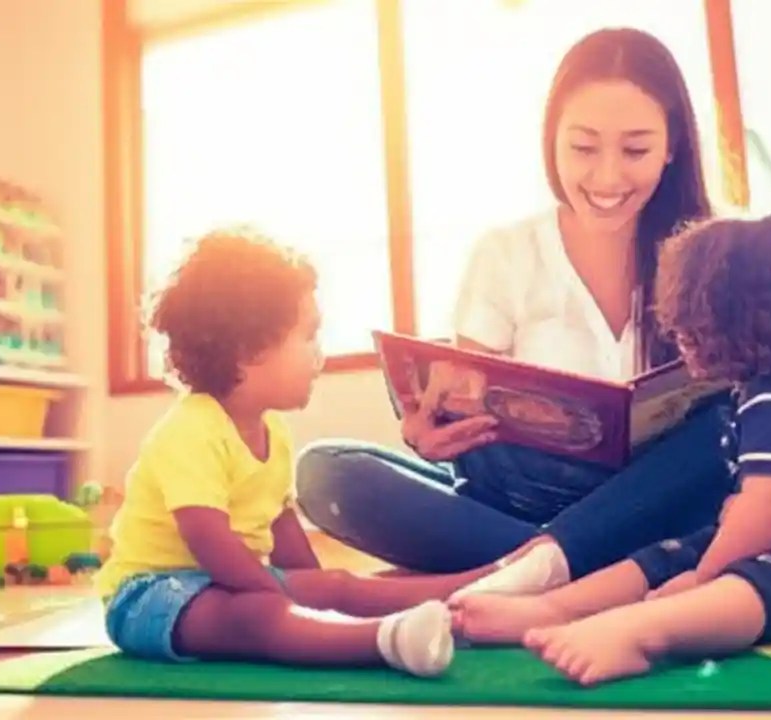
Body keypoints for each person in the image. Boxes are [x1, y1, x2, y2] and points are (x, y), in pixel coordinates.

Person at [296, 27, 735, 594]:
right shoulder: (505, 253)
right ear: (550, 140)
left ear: (672, 146)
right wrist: (435, 434)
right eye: (582, 147)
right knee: (329, 471)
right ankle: (601, 573)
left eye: (635, 150)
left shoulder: (715, 253)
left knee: (730, 432)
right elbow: (473, 428)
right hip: (529, 495)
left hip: (660, 495)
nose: (606, 177)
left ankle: (534, 571)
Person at [452, 214, 771, 686]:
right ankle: (553, 608)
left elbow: (770, 507)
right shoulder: (759, 392)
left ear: (750, 322)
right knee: (672, 554)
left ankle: (646, 633)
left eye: (695, 324)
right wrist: (704, 556)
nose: (678, 336)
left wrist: (703, 579)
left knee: (755, 584)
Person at [96, 230, 494, 676]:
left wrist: (319, 590)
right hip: (148, 594)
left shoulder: (273, 433)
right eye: (308, 335)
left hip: (228, 581)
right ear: (250, 351)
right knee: (258, 616)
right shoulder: (192, 428)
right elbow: (207, 537)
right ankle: (384, 639)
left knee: (339, 584)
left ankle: (474, 589)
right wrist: (276, 592)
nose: (318, 353)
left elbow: (280, 523)